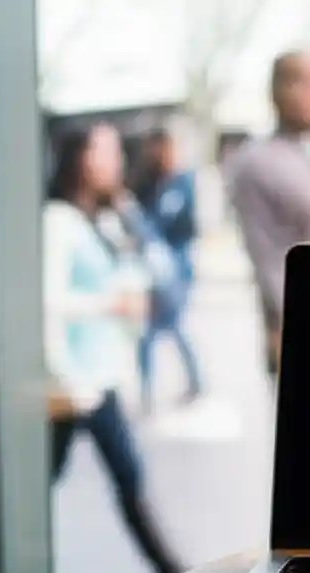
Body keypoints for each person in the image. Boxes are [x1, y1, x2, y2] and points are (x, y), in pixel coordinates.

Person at [44, 123, 183, 573]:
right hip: (68, 382)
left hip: (98, 378)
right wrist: (109, 305)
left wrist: (124, 209)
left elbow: (147, 269)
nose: (117, 164)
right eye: (106, 152)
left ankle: (167, 571)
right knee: (43, 487)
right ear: (81, 159)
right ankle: (167, 571)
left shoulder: (105, 218)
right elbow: (50, 302)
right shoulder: (57, 221)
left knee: (127, 478)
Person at [228, 51, 310, 380]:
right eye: (299, 82)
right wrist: (284, 322)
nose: (309, 93)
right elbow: (268, 256)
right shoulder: (258, 163)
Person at [134, 129, 203, 411]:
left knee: (170, 325)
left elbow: (173, 220)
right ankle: (149, 388)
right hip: (154, 264)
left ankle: (194, 382)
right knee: (152, 330)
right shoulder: (149, 181)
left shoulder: (182, 182)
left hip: (176, 262)